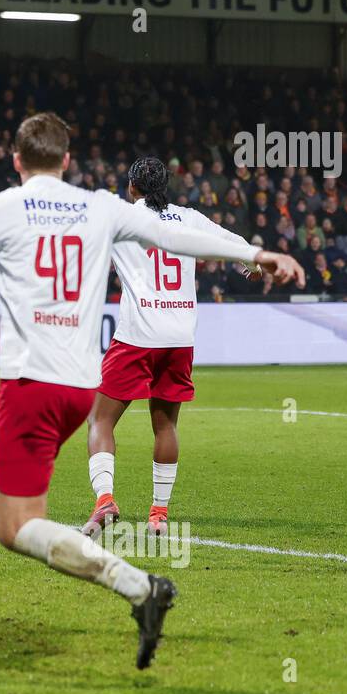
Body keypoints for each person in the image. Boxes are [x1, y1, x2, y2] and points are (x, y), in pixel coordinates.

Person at [0, 113, 303, 670]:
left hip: (32, 384)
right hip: (78, 385)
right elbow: (173, 233)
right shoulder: (99, 206)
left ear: (20, 162)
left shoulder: (3, 208)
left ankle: (142, 588)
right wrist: (254, 255)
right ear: (67, 160)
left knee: (15, 527)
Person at [84, 157, 258, 537]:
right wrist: (253, 266)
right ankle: (159, 515)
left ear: (132, 187)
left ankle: (105, 500)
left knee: (100, 420)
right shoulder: (190, 218)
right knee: (165, 425)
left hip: (136, 337)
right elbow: (236, 245)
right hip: (180, 339)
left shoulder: (120, 218)